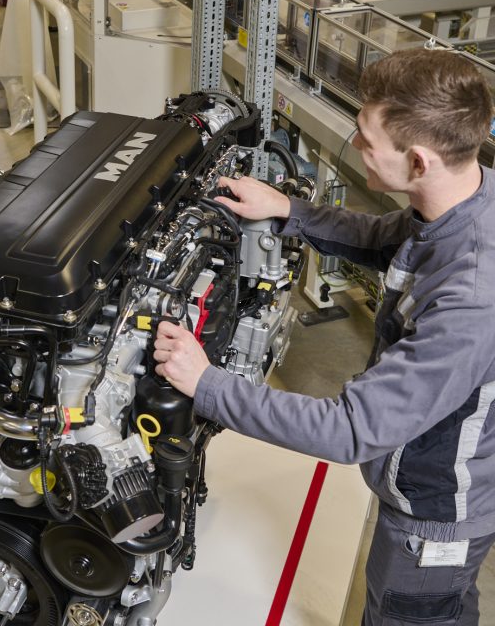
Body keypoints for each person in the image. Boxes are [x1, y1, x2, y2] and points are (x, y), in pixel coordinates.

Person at [153, 48, 495, 625]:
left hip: (431, 517)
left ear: (418, 161)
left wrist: (206, 384)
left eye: (366, 137)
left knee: (406, 613)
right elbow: (386, 236)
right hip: (426, 480)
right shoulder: (463, 197)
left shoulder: (472, 296)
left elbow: (350, 429)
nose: (354, 144)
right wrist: (290, 209)